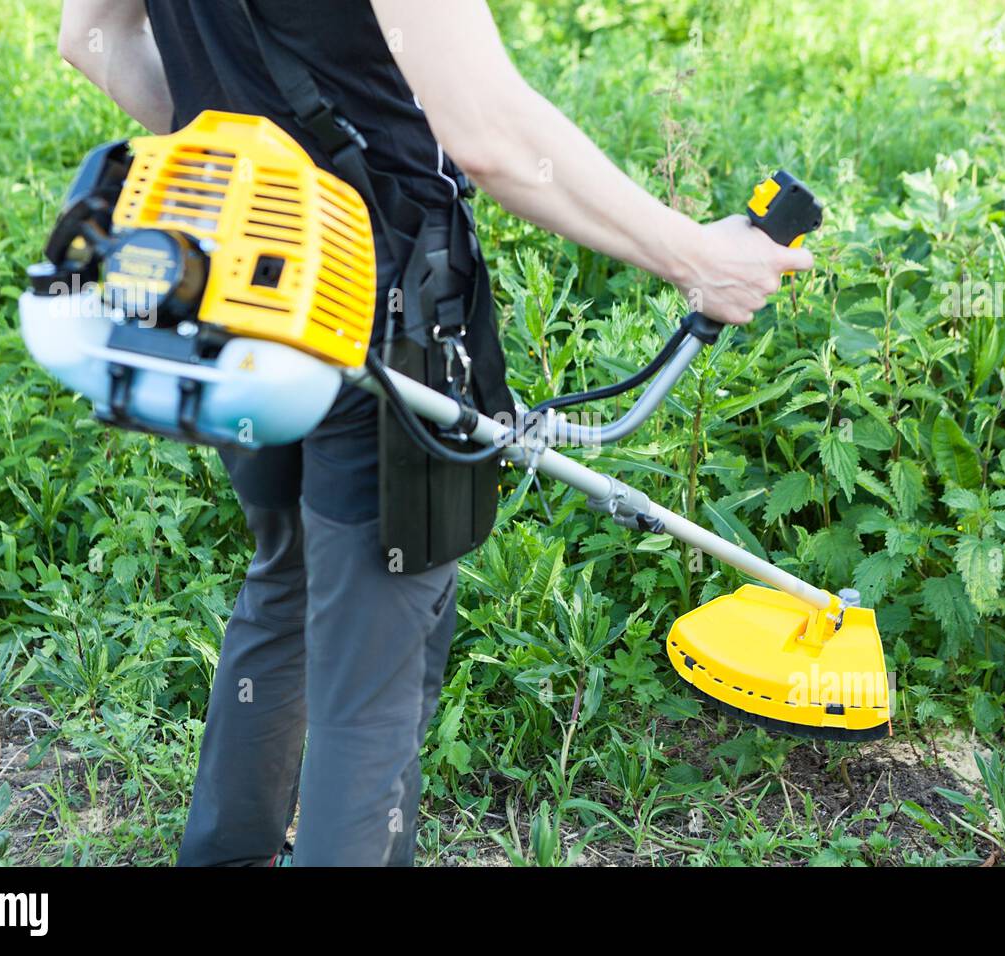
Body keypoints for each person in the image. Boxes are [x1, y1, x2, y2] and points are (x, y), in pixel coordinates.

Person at [58, 0, 814, 866]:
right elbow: (488, 134)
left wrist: (267, 190)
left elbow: (90, 38)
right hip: (382, 305)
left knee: (288, 578)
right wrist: (698, 257)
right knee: (373, 676)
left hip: (229, 287)